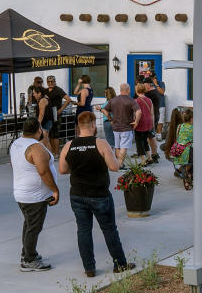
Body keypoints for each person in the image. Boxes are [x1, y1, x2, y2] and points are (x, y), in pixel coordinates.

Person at [58, 111, 134, 277]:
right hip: (99, 195)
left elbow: (62, 170)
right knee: (109, 230)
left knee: (83, 230)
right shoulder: (101, 144)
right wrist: (118, 158)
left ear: (79, 126)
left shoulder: (68, 145)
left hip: (77, 194)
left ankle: (89, 268)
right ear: (93, 125)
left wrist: (78, 167)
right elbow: (114, 167)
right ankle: (120, 264)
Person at [10, 118, 60, 271]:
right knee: (34, 228)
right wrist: (55, 190)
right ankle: (28, 260)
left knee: (29, 225)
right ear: (39, 129)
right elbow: (43, 171)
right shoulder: (35, 148)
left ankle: (27, 253)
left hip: (21, 192)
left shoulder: (16, 143)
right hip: (35, 196)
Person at [106, 83, 139, 164]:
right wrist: (136, 122)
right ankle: (120, 164)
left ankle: (118, 163)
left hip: (115, 127)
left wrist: (110, 119)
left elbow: (104, 110)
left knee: (117, 146)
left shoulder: (113, 100)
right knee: (124, 146)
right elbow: (139, 111)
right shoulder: (131, 100)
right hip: (126, 128)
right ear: (127, 90)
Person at [134, 82, 158, 164]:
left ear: (137, 91)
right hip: (148, 122)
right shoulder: (149, 100)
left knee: (139, 142)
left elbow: (136, 113)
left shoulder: (136, 101)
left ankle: (143, 161)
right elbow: (152, 114)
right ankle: (149, 157)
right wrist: (153, 125)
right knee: (145, 140)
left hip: (140, 122)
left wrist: (135, 122)